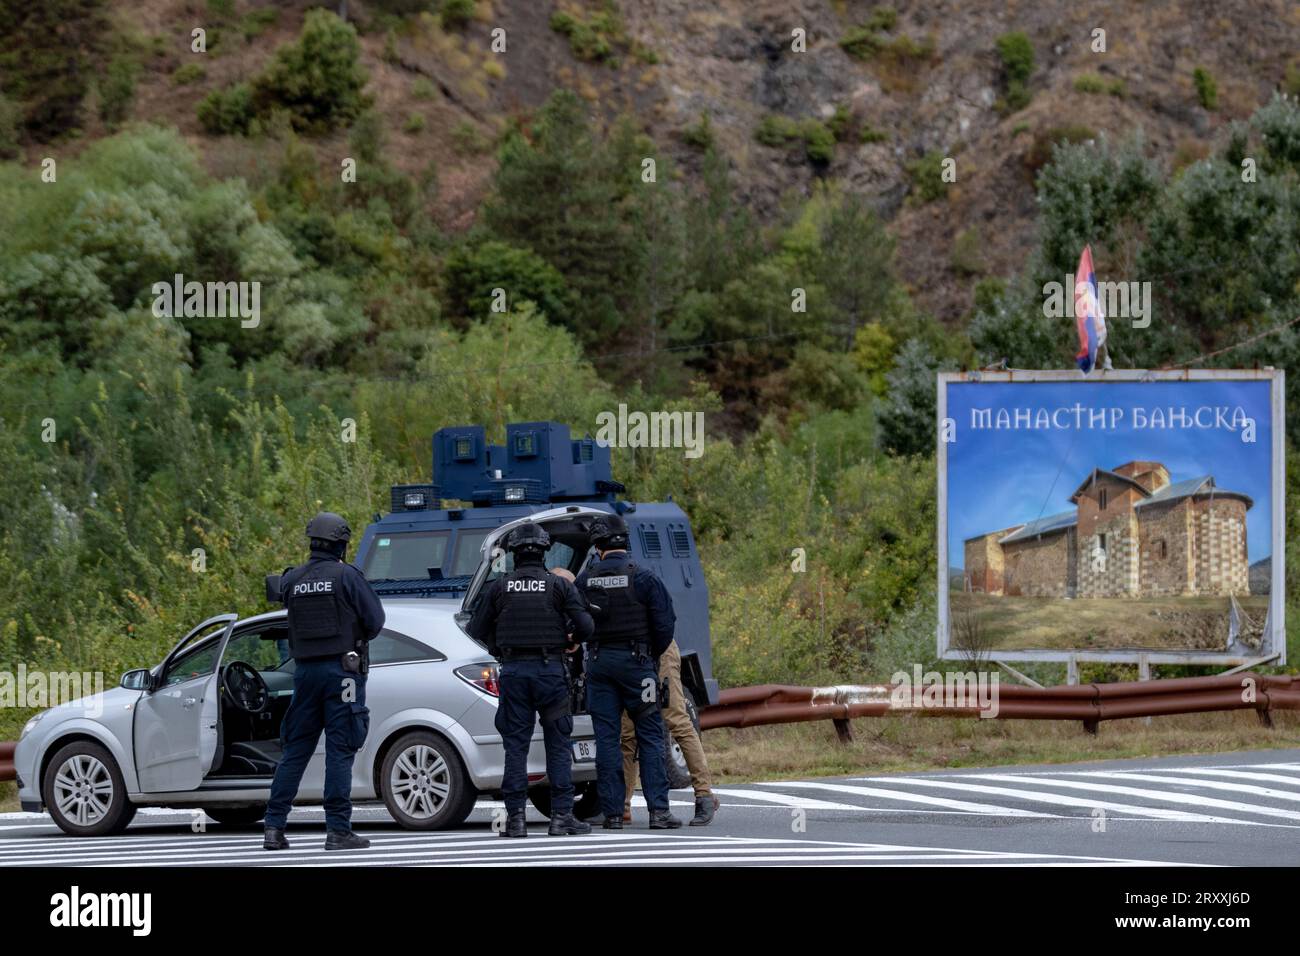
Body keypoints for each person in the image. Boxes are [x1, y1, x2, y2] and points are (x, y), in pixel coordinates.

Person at [263, 512, 385, 852]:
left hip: (303, 674)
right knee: (339, 749)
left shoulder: (293, 580)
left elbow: (278, 592)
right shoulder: (347, 577)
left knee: (296, 751)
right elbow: (375, 622)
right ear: (342, 545)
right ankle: (338, 830)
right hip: (341, 673)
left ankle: (273, 827)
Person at [467, 522, 594, 838]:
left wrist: (501, 650)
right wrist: (569, 640)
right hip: (551, 672)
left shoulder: (500, 587)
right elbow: (587, 626)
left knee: (516, 747)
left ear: (514, 553)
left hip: (514, 673)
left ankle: (516, 821)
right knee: (558, 745)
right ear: (544, 550)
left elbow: (476, 630)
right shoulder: (559, 586)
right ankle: (562, 817)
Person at [577, 513, 682, 830]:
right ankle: (659, 813)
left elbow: (575, 622)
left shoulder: (585, 581)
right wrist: (648, 655)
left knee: (607, 740)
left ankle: (612, 814)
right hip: (639, 666)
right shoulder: (645, 578)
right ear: (625, 541)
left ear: (597, 546)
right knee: (650, 736)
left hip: (599, 666)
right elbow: (666, 625)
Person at [619, 637, 719, 826]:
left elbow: (664, 619)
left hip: (660, 649)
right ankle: (623, 805)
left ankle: (704, 795)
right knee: (628, 732)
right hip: (631, 654)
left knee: (677, 721)